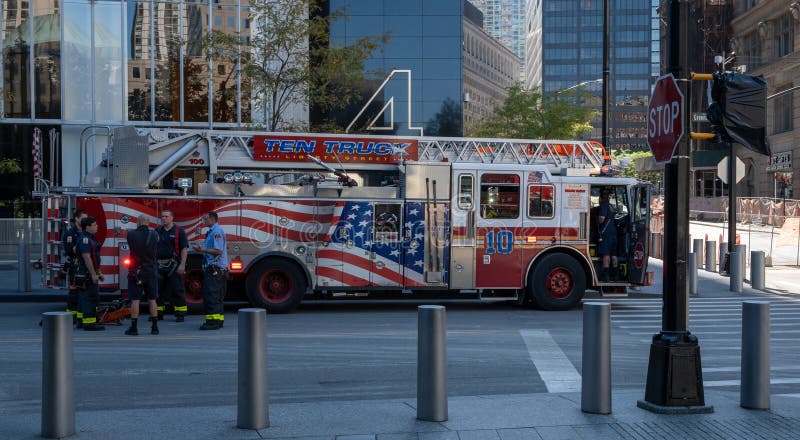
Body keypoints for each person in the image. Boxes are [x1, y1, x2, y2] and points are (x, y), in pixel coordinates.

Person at [124, 215, 160, 336]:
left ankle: (134, 328)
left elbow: (131, 246)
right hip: (150, 270)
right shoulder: (155, 235)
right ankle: (155, 327)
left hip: (136, 271)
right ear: (148, 223)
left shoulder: (131, 235)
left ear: (138, 222)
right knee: (152, 299)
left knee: (135, 300)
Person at [192, 211, 227, 331]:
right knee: (217, 296)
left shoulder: (216, 232)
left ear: (212, 219)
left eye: (205, 219)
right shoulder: (212, 231)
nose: (204, 221)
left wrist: (202, 249)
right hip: (216, 269)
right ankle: (219, 320)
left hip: (214, 269)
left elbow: (218, 251)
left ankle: (212, 322)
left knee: (211, 296)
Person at [156, 210, 189, 322]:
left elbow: (184, 249)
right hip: (159, 265)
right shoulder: (157, 231)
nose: (163, 218)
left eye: (166, 216)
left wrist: (182, 265)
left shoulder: (179, 231)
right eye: (162, 216)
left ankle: (180, 314)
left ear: (172, 218)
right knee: (158, 290)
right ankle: (158, 313)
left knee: (177, 290)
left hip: (174, 265)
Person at [76, 217, 104, 331]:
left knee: (84, 298)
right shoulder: (85, 239)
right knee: (90, 298)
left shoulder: (89, 238)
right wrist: (93, 274)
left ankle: (81, 321)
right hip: (86, 274)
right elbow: (87, 258)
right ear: (88, 227)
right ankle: (89, 323)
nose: (97, 226)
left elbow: (94, 258)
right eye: (95, 224)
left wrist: (98, 272)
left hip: (87, 273)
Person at [62, 209, 87, 326]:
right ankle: (71, 317)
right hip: (75, 266)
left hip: (84, 266)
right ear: (76, 219)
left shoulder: (86, 232)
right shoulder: (70, 233)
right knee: (74, 293)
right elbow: (69, 250)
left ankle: (80, 318)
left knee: (83, 293)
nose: (85, 220)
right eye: (83, 218)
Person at [597, 189, 618, 282]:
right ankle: (615, 275)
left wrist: (597, 221)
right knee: (614, 255)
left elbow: (602, 218)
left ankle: (606, 276)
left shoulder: (603, 205)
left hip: (605, 234)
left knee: (606, 255)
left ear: (600, 198)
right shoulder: (611, 206)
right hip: (613, 233)